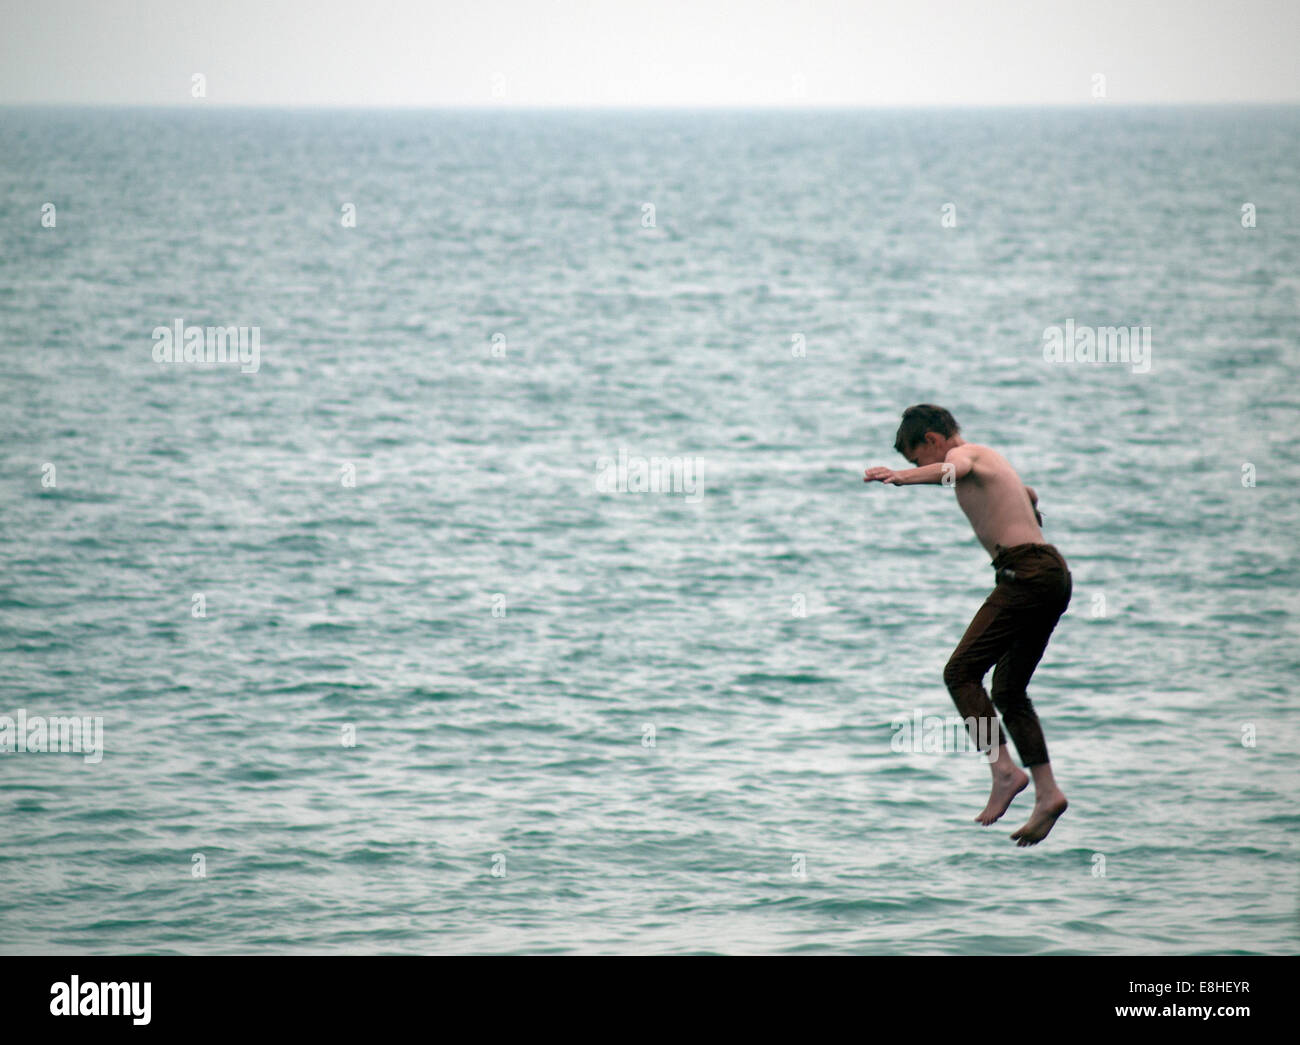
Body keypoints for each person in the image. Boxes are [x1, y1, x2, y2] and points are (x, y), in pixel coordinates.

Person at [864, 404, 1071, 846]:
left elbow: (952, 470)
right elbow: (1028, 494)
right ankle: (1048, 793)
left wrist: (902, 478)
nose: (920, 465)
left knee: (960, 673)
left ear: (933, 440)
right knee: (1008, 691)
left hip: (1026, 573)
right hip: (1050, 576)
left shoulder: (966, 455)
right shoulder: (993, 460)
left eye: (918, 457)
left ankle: (1003, 771)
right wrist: (1024, 505)